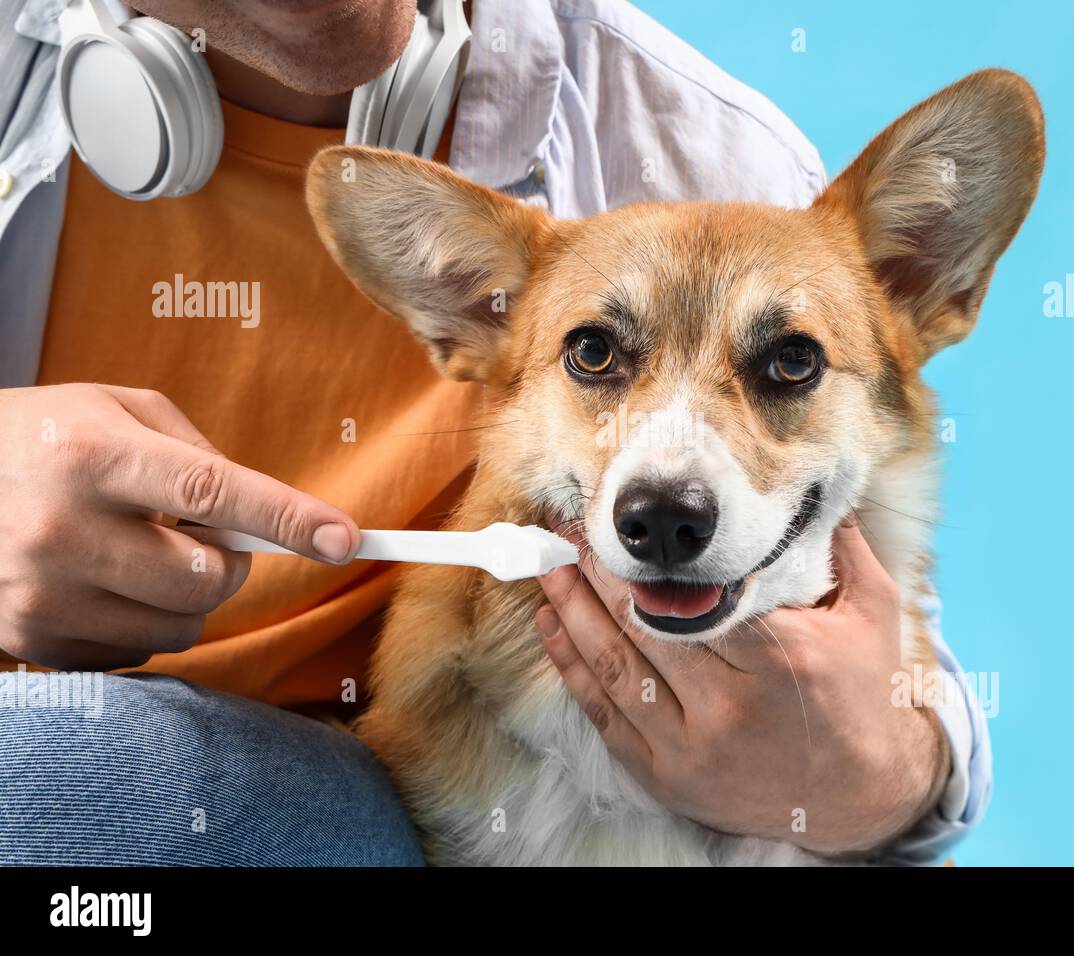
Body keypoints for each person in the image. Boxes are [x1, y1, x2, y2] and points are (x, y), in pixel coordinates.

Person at [0, 0, 989, 865]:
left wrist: (875, 772)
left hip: (369, 804)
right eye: (599, 354)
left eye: (780, 365)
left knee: (83, 773)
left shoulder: (704, 152)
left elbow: (877, 648)